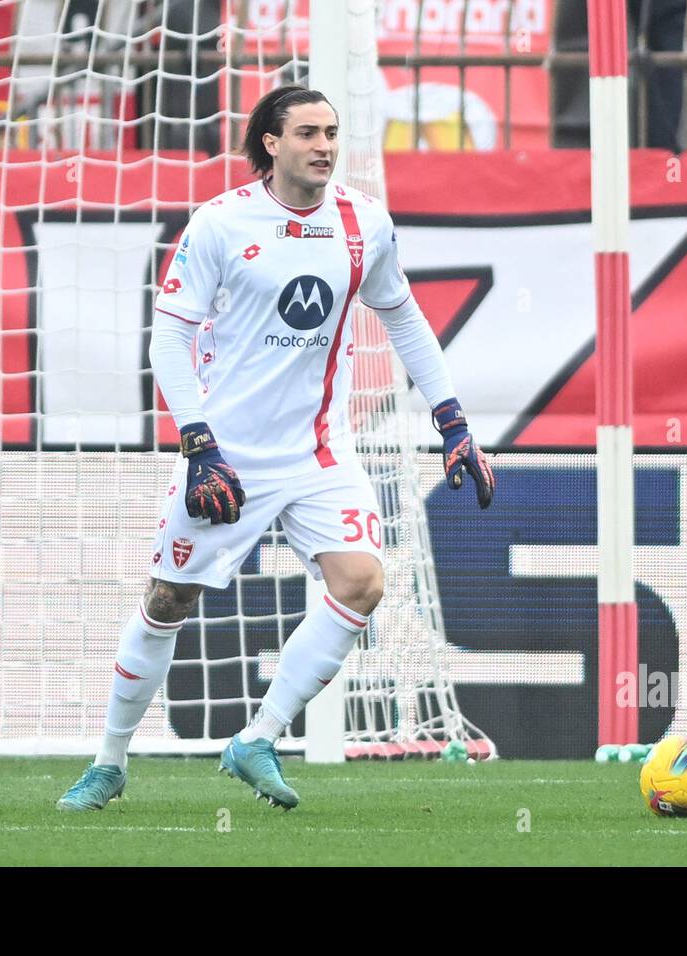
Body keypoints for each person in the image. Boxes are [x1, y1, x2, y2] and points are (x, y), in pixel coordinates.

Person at [57, 85, 494, 812]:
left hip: (321, 452)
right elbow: (170, 335)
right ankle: (109, 761)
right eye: (308, 133)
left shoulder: (363, 223)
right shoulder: (222, 224)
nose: (325, 146)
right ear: (271, 141)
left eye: (332, 131)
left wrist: (453, 423)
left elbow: (405, 319)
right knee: (169, 600)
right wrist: (199, 444)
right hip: (227, 454)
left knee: (362, 581)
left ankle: (257, 737)